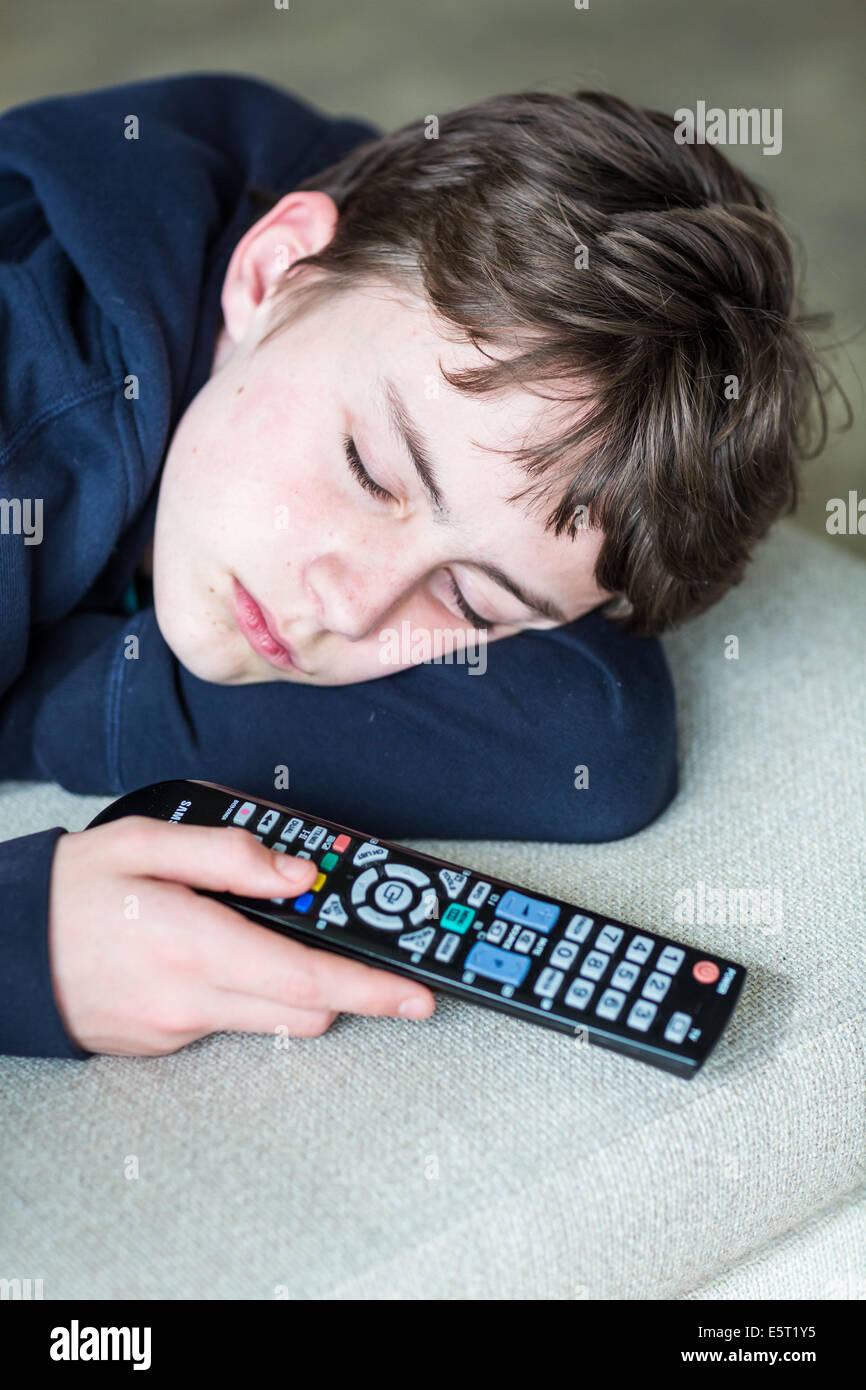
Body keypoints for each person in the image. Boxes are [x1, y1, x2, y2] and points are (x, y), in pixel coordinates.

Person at [0, 74, 830, 1061]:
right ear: (272, 271)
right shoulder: (39, 399)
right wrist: (28, 950)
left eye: (470, 595)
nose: (349, 609)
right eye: (368, 469)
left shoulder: (394, 266)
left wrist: (56, 696)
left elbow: (593, 741)